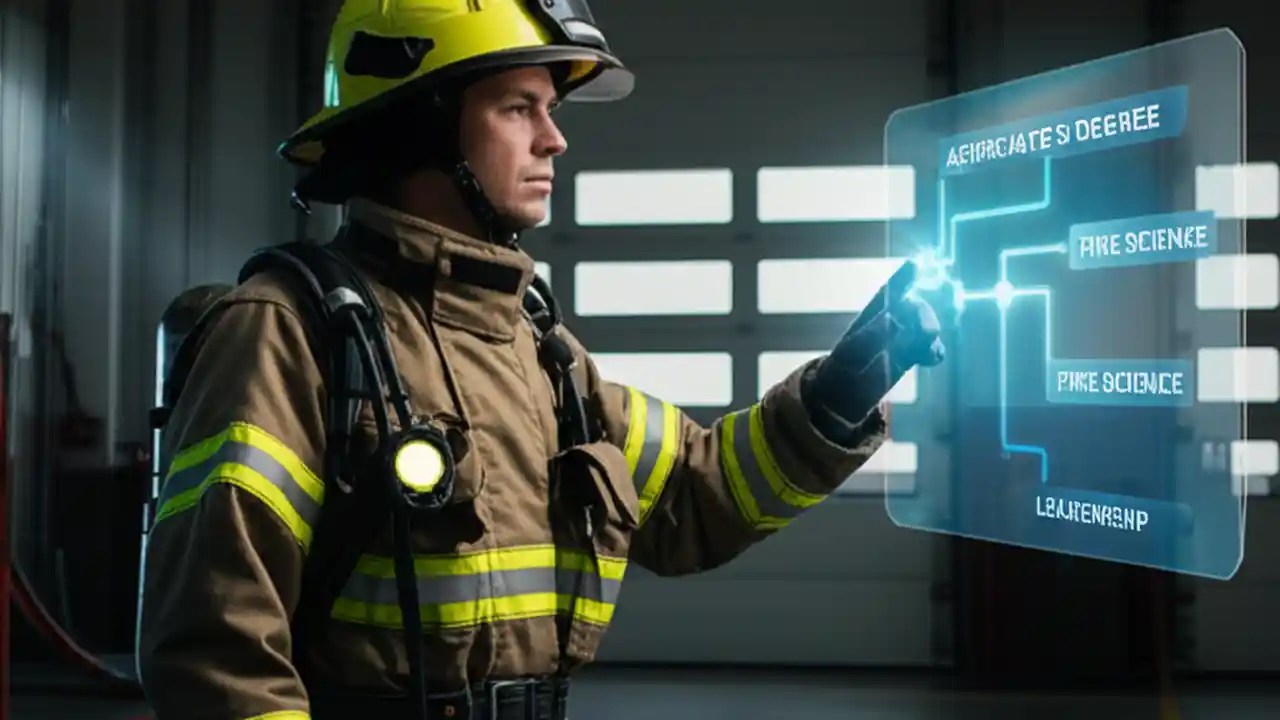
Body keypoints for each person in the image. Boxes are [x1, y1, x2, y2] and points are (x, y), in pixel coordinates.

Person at [135, 1, 945, 719]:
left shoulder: (538, 349)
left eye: (550, 109)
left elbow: (697, 493)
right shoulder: (285, 332)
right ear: (422, 122)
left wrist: (840, 393)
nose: (555, 138)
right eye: (518, 107)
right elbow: (218, 656)